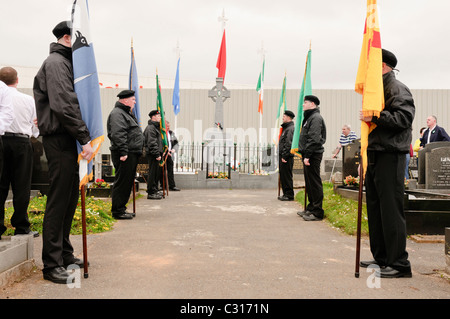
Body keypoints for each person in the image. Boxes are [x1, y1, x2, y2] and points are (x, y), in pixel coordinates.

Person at [33, 21, 94, 284]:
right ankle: (51, 264)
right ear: (67, 39)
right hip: (59, 138)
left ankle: (65, 253)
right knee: (58, 201)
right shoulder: (57, 63)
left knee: (68, 200)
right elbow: (64, 103)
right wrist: (84, 136)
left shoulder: (65, 63)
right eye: (79, 40)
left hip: (67, 138)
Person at [359, 49, 415, 278]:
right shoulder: (377, 89)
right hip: (376, 153)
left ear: (383, 66)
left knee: (391, 210)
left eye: (371, 64)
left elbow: (404, 119)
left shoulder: (397, 88)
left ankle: (399, 263)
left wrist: (375, 116)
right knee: (376, 208)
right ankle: (381, 258)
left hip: (390, 155)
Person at [0, 67, 40, 240]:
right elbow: (35, 126)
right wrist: (33, 134)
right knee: (22, 186)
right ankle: (21, 226)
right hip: (22, 143)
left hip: (1, 140)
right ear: (17, 80)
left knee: (0, 186)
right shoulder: (28, 100)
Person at [107, 90, 144, 219]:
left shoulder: (125, 113)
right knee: (122, 182)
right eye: (133, 99)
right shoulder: (118, 114)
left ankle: (121, 208)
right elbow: (118, 133)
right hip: (125, 154)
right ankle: (117, 211)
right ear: (125, 100)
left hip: (130, 153)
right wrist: (123, 151)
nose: (135, 102)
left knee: (127, 182)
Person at [297, 95, 326, 221]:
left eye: (306, 102)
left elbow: (314, 138)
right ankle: (311, 208)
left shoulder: (315, 118)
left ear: (313, 104)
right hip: (309, 154)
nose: (303, 104)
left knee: (314, 182)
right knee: (309, 183)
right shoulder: (310, 118)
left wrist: (307, 155)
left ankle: (317, 211)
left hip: (313, 154)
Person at [144, 110, 164, 199]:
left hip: (155, 153)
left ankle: (154, 190)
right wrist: (156, 154)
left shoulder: (155, 127)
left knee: (156, 173)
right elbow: (152, 142)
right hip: (152, 154)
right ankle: (151, 192)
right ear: (153, 117)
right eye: (159, 116)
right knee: (152, 173)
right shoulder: (150, 128)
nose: (160, 118)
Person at [278, 110, 295, 201]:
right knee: (283, 176)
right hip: (283, 156)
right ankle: (286, 194)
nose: (283, 118)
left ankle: (289, 194)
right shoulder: (286, 128)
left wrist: (285, 156)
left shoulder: (290, 128)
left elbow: (288, 144)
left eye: (284, 116)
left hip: (286, 157)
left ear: (288, 118)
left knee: (287, 176)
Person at [159, 121, 180, 192]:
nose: (168, 127)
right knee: (162, 171)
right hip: (163, 155)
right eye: (166, 126)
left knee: (170, 171)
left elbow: (176, 143)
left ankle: (172, 185)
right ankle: (163, 186)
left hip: (170, 155)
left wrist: (174, 149)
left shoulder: (171, 133)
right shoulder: (161, 134)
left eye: (169, 126)